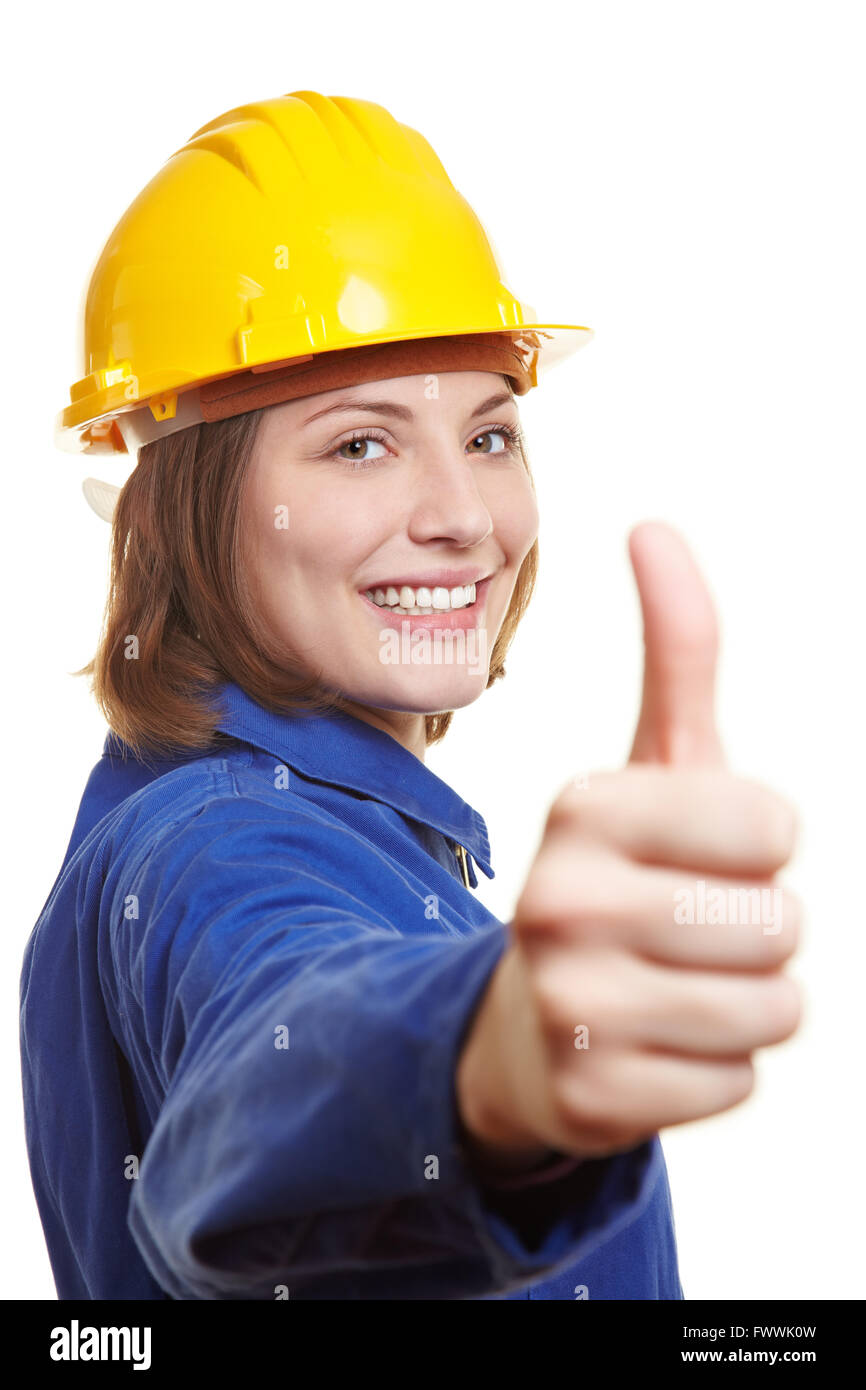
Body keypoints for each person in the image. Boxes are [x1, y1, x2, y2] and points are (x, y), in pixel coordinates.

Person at [19, 90, 800, 1301]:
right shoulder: (209, 843)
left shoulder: (323, 827)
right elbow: (269, 1038)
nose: (462, 518)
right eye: (360, 444)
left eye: (488, 434)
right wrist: (481, 1069)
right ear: (182, 504)